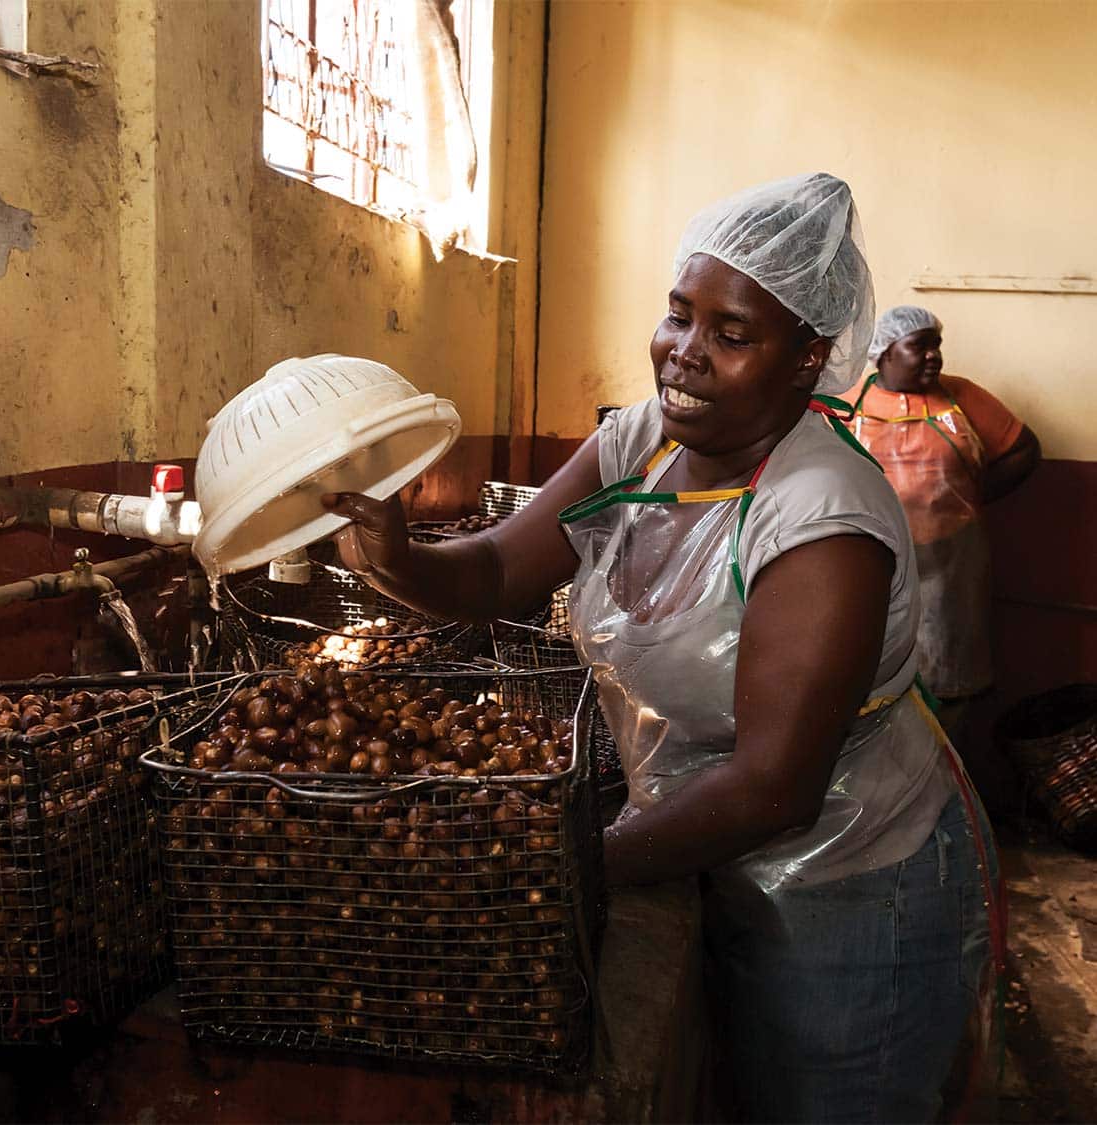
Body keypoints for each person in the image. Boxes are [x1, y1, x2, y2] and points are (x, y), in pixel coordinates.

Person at [321, 174, 1001, 1123]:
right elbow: (491, 575)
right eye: (679, 315)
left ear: (809, 357)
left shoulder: (821, 518)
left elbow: (774, 787)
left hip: (848, 892)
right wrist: (393, 558)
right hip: (709, 853)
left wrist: (557, 858)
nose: (683, 353)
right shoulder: (641, 441)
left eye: (731, 334)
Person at [847, 306, 1041, 718]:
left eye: (936, 345)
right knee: (868, 668)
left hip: (951, 564)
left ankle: (948, 770)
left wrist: (969, 498)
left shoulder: (962, 397)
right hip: (870, 562)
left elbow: (1025, 450)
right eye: (919, 346)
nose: (933, 355)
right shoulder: (849, 403)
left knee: (950, 674)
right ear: (884, 353)